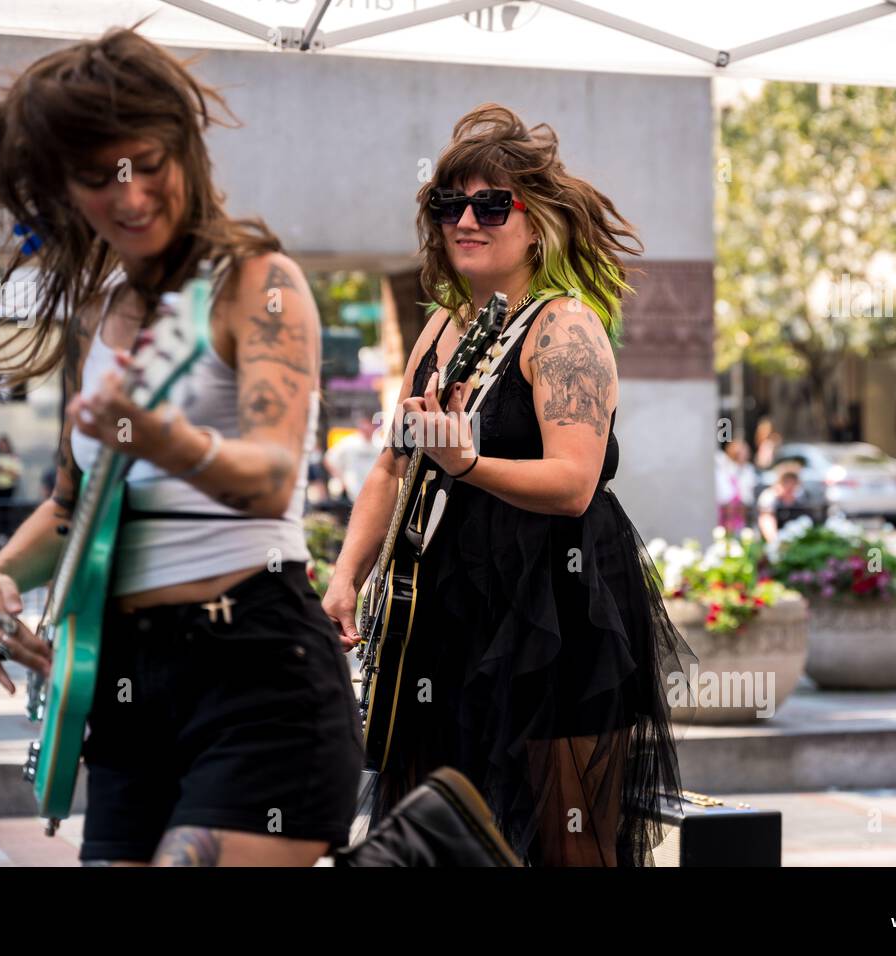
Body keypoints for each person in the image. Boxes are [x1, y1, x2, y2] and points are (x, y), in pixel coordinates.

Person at [0, 29, 364, 866]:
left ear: (187, 152)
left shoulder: (257, 282)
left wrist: (164, 437)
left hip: (256, 671)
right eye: (98, 178)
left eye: (147, 163)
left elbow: (273, 480)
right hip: (126, 686)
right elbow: (73, 506)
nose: (129, 197)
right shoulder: (103, 313)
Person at [322, 103, 692, 867]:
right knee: (434, 829)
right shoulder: (440, 327)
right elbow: (394, 465)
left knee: (568, 840)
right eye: (448, 204)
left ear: (537, 221)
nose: (467, 219)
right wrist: (345, 573)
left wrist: (469, 467)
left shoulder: (565, 329)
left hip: (555, 604)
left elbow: (574, 484)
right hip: (445, 603)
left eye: (492, 204)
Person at [324, 414, 381, 503]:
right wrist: (340, 478)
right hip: (352, 492)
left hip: (373, 493)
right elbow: (329, 459)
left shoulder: (379, 444)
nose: (367, 427)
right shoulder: (349, 442)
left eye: (369, 424)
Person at [756, 464, 805, 543]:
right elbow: (766, 519)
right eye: (786, 481)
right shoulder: (769, 496)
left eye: (793, 482)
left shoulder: (799, 495)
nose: (790, 486)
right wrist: (775, 543)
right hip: (776, 538)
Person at [716, 439, 756, 532]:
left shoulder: (749, 469)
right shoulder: (724, 467)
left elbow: (748, 495)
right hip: (725, 509)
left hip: (740, 509)